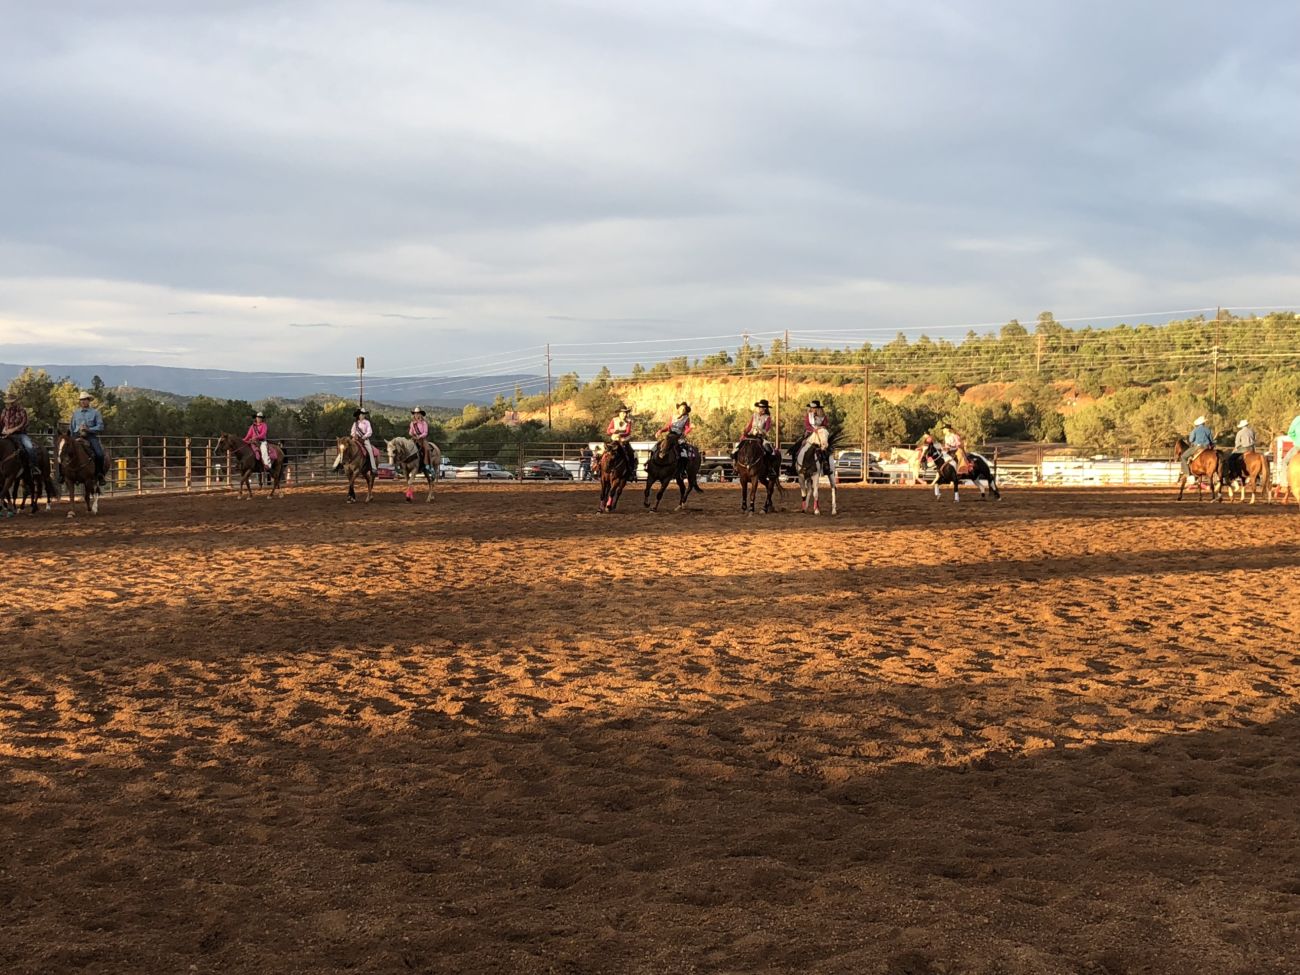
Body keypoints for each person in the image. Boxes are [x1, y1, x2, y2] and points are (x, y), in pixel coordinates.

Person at [69, 390, 107, 484]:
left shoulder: (95, 413)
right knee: (64, 452)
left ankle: (100, 474)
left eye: (85, 399)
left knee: (99, 454)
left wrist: (89, 429)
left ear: (88, 400)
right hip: (77, 435)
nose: (83, 401)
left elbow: (100, 426)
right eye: (81, 400)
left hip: (90, 436)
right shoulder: (76, 413)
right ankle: (63, 474)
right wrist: (72, 437)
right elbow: (72, 426)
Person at [1, 391, 39, 476]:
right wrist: (3, 431)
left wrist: (13, 429)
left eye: (10, 403)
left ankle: (34, 466)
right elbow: (1, 422)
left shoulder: (21, 410)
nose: (8, 404)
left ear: (15, 402)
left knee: (29, 447)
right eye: (7, 403)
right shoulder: (4, 411)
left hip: (20, 434)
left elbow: (24, 422)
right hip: (7, 434)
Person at [657, 402, 694, 475]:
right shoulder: (673, 416)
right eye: (681, 408)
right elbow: (669, 427)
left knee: (684, 453)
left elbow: (686, 429)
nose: (682, 410)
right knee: (657, 446)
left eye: (684, 409)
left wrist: (690, 429)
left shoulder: (686, 418)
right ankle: (653, 464)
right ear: (678, 409)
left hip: (679, 436)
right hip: (670, 435)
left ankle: (682, 469)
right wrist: (661, 431)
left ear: (686, 411)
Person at [795, 400, 830, 474]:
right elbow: (807, 425)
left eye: (814, 408)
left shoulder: (823, 417)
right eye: (812, 408)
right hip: (810, 433)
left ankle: (826, 465)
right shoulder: (808, 415)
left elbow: (826, 424)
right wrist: (813, 430)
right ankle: (798, 464)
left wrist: (820, 428)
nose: (812, 409)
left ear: (818, 408)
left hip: (821, 433)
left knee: (824, 448)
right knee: (801, 444)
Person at [605, 405, 636, 479]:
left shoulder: (628, 421)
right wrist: (613, 431)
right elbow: (608, 431)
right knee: (605, 452)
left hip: (624, 441)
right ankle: (600, 469)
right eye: (623, 413)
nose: (624, 414)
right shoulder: (614, 420)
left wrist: (620, 434)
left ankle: (631, 471)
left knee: (631, 454)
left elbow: (628, 432)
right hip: (615, 440)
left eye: (625, 413)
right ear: (619, 413)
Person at [351, 408, 379, 472]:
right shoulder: (355, 423)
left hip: (365, 440)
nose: (362, 416)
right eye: (361, 414)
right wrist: (354, 435)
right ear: (359, 415)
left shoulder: (367, 422)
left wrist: (363, 437)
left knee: (370, 450)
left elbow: (370, 432)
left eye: (363, 414)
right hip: (356, 439)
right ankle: (338, 464)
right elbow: (352, 431)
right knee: (346, 447)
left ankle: (373, 467)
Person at [408, 407, 432, 474]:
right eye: (415, 413)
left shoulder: (424, 423)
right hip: (414, 438)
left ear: (421, 414)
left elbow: (425, 432)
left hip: (422, 439)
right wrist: (411, 434)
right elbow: (410, 431)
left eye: (418, 413)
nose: (417, 415)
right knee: (407, 447)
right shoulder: (412, 423)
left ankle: (427, 464)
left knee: (427, 449)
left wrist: (420, 436)